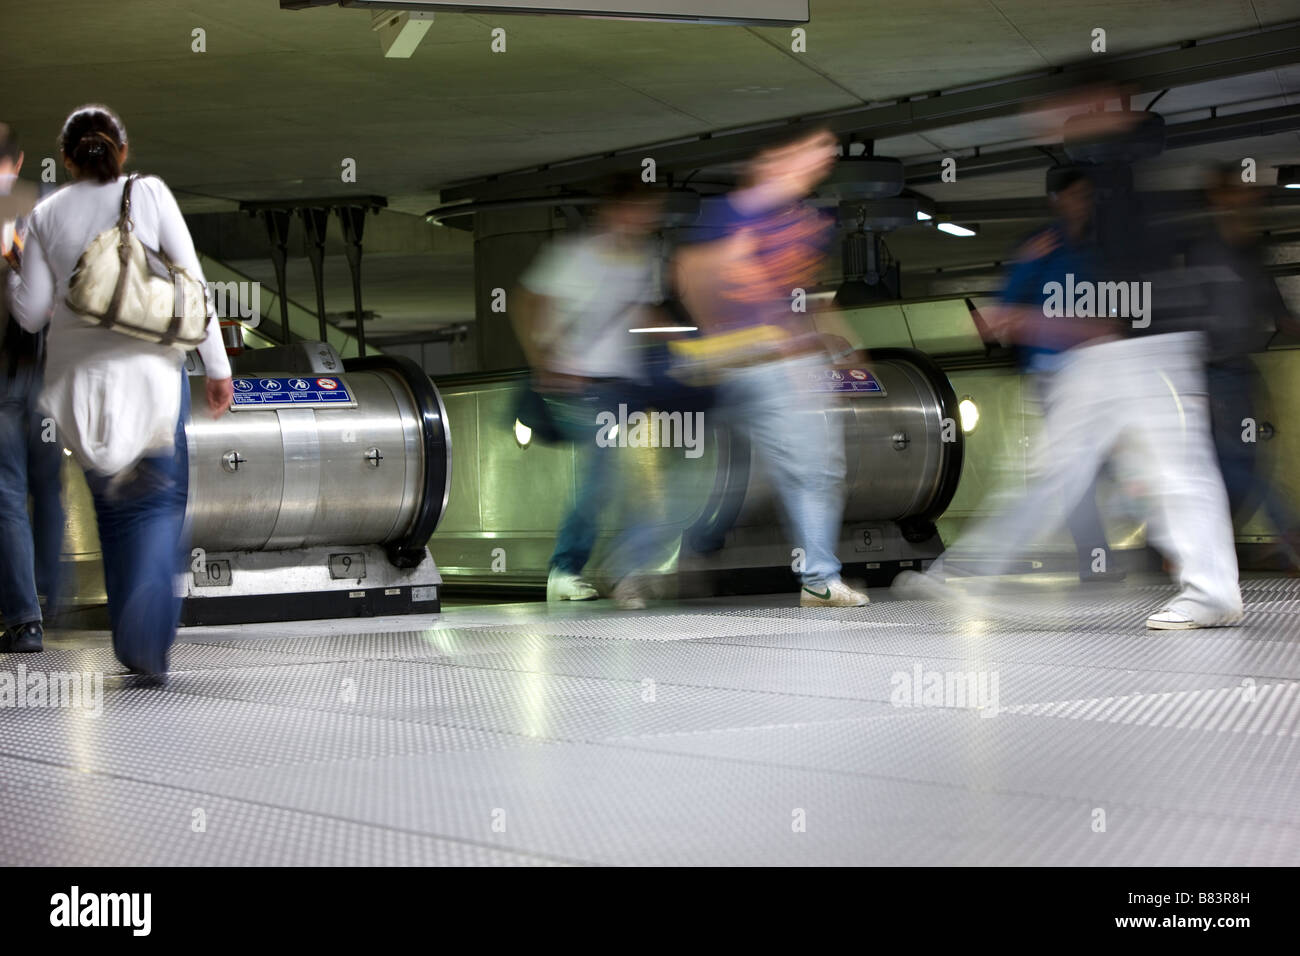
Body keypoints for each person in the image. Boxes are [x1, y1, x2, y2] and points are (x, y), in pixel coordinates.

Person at [6, 105, 233, 677]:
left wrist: (13, 266)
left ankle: (132, 636)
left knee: (113, 510)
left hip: (79, 391)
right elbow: (192, 283)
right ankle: (144, 634)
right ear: (121, 150)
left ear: (65, 158)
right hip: (151, 377)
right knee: (156, 504)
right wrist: (218, 367)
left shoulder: (44, 215)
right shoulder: (148, 193)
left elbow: (31, 315)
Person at [669, 127, 869, 608]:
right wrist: (721, 332)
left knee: (796, 471)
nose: (820, 161)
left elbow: (805, 294)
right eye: (809, 150)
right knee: (787, 473)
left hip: (784, 363)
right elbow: (691, 272)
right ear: (772, 158)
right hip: (753, 363)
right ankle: (817, 577)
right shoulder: (733, 213)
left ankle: (817, 577)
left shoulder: (804, 222)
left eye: (825, 153)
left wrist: (841, 343)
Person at [512, 178, 664, 603]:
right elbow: (526, 302)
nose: (644, 220)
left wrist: (688, 341)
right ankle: (565, 571)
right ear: (613, 212)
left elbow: (640, 315)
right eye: (637, 210)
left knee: (644, 483)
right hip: (583, 386)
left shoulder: (645, 260)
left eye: (649, 213)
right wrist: (543, 358)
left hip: (629, 386)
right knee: (601, 479)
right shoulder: (574, 256)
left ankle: (626, 569)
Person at [988, 169, 1124, 583]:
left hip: (1096, 368)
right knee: (1075, 468)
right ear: (1057, 200)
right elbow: (1006, 308)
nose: (1082, 203)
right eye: (1075, 195)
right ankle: (1094, 558)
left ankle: (1113, 548)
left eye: (1088, 195)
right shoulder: (1041, 248)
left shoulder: (1098, 249)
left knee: (1108, 456)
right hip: (1052, 372)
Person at [1191, 163, 1300, 568]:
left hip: (1238, 371)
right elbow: (1187, 317)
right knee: (1234, 460)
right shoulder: (1206, 251)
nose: (1250, 199)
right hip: (1214, 373)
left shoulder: (1250, 253)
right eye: (1239, 192)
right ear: (1219, 199)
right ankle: (1287, 533)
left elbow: (1277, 311)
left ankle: (1206, 547)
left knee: (1240, 461)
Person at [0, 122, 65, 653]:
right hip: (47, 370)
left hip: (5, 373)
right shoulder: (47, 206)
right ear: (20, 161)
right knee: (48, 484)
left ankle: (25, 620)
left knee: (5, 491)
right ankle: (51, 595)